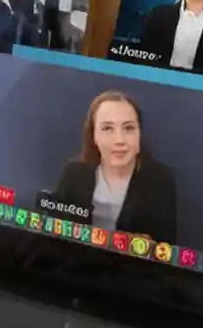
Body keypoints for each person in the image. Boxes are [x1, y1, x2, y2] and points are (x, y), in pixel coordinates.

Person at [52, 92, 178, 242]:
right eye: (107, 128)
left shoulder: (161, 181)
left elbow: (164, 248)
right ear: (94, 136)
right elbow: (54, 231)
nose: (119, 140)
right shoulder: (73, 174)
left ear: (139, 133)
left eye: (128, 128)